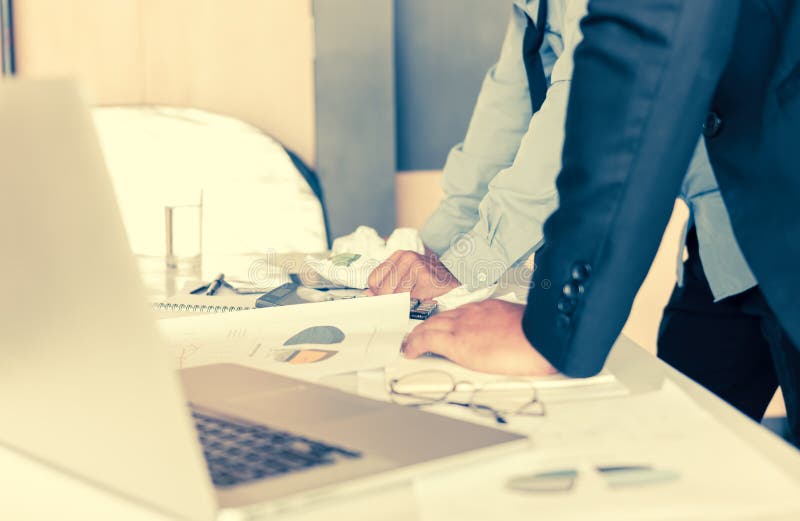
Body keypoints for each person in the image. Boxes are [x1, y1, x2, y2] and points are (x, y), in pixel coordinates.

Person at [404, 0, 800, 441]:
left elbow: (613, 88)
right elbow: (506, 110)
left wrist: (492, 284)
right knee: (664, 445)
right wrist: (437, 254)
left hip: (785, 221)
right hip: (724, 241)